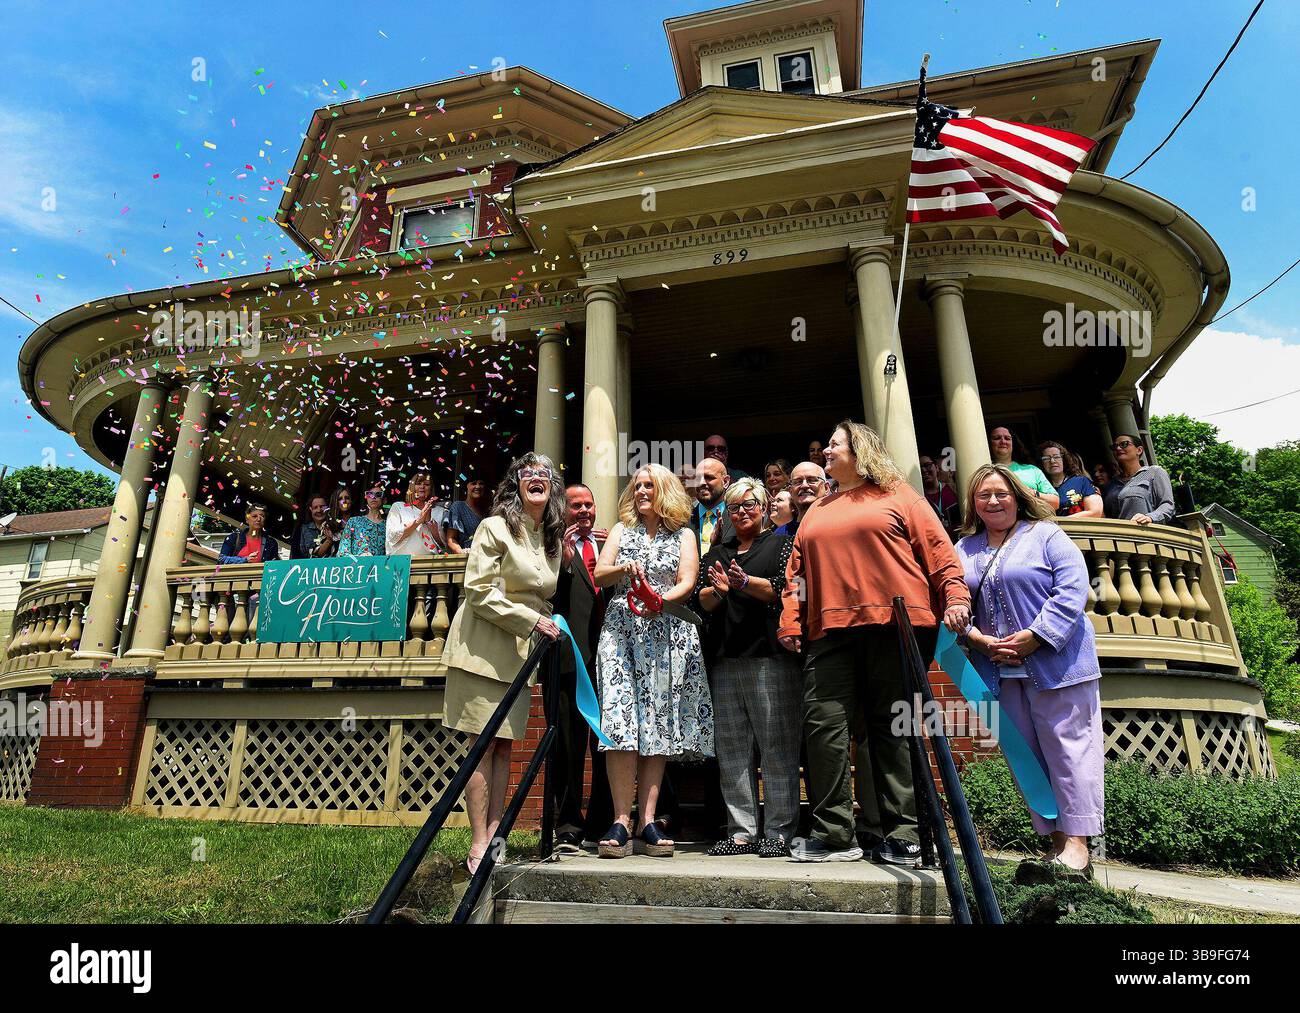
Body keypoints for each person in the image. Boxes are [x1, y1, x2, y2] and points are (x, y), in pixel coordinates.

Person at [778, 421, 971, 864]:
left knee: (892, 728)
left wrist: (956, 596)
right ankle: (833, 835)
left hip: (896, 623)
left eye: (834, 444)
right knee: (823, 726)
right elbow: (797, 575)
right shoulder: (816, 510)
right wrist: (791, 621)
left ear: (859, 450)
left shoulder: (900, 495)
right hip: (828, 631)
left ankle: (902, 833)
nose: (826, 450)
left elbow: (939, 554)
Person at [954, 463, 1103, 879]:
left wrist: (1037, 635)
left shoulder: (1047, 535)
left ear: (1017, 496)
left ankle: (1078, 844)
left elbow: (1074, 589)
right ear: (973, 504)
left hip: (1058, 664)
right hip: (998, 670)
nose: (993, 501)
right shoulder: (964, 548)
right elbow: (952, 600)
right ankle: (1058, 847)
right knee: (1028, 761)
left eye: (1001, 493)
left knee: (1069, 751)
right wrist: (976, 638)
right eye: (983, 495)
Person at [442, 453, 565, 874]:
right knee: (483, 744)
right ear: (515, 485)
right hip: (480, 646)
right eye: (527, 474)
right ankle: (479, 843)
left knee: (506, 747)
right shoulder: (494, 527)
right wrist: (533, 620)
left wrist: (541, 619)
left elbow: (544, 593)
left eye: (543, 474)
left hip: (520, 655)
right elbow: (478, 589)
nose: (536, 479)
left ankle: (498, 838)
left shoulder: (553, 537)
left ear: (552, 487)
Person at [592, 464, 712, 859]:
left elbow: (688, 579)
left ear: (665, 491)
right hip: (621, 633)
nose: (642, 491)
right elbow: (600, 574)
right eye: (638, 485)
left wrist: (661, 600)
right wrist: (624, 568)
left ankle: (647, 820)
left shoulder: (684, 534)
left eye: (650, 485)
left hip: (664, 633)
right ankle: (619, 820)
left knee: (657, 722)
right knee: (620, 720)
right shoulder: (621, 531)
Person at [696, 479, 800, 858]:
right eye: (735, 506)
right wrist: (721, 591)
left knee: (776, 747)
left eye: (750, 504)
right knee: (733, 750)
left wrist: (744, 582)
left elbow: (784, 588)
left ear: (764, 506)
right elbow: (701, 601)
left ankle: (778, 832)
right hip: (726, 660)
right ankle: (740, 832)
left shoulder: (780, 544)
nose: (742, 511)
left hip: (770, 658)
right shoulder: (717, 552)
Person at [548, 484, 615, 853]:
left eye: (589, 504)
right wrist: (563, 561)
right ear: (564, 509)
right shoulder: (551, 548)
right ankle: (568, 826)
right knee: (568, 747)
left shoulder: (608, 546)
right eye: (577, 505)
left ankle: (604, 823)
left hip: (609, 662)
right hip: (568, 661)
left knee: (607, 744)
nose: (585, 511)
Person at [1103, 433, 1176, 526]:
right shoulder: (1111, 484)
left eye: (1124, 444)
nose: (1118, 448)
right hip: (1119, 537)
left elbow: (1168, 505)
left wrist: (1150, 517)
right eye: (1114, 446)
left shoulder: (1154, 472)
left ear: (1139, 450)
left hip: (1146, 534)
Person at [989, 426, 1060, 512]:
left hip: (1033, 522)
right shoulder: (985, 471)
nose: (1003, 441)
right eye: (997, 438)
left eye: (1007, 438)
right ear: (988, 443)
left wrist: (1032, 493)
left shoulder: (1032, 470)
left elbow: (1055, 503)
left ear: (1013, 443)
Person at [1038, 441, 1103, 518]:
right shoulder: (1039, 487)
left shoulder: (1081, 482)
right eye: (1046, 458)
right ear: (1041, 463)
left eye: (1056, 457)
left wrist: (1062, 523)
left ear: (1064, 460)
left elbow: (1095, 512)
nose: (1052, 461)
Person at [386, 472, 444, 556]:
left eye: (426, 484)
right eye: (418, 483)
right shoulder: (399, 507)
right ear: (412, 487)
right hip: (402, 562)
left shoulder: (440, 511)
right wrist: (418, 521)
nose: (422, 487)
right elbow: (392, 537)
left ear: (431, 489)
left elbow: (444, 547)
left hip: (429, 563)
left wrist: (430, 526)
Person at [692, 457, 735, 550]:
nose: (702, 482)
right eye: (698, 478)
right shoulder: (682, 519)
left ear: (726, 481)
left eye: (709, 477)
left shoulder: (738, 517)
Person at [339, 485, 388, 556]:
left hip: (381, 566)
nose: (373, 497)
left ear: (384, 500)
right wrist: (359, 558)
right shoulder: (354, 522)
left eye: (378, 494)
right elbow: (342, 552)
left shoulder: (388, 525)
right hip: (357, 566)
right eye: (370, 494)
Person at [920, 453, 961, 538]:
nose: (924, 470)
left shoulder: (953, 489)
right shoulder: (920, 496)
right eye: (920, 467)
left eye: (927, 465)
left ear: (936, 467)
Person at [446, 474, 490, 554]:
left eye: (481, 483)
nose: (478, 486)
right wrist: (462, 553)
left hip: (487, 557)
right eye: (473, 483)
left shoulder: (488, 511)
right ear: (467, 486)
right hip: (467, 558)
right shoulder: (458, 507)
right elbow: (451, 539)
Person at [786, 461, 827, 538]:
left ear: (827, 488)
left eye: (811, 480)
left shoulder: (841, 524)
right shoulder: (779, 535)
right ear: (790, 491)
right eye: (797, 482)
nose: (804, 486)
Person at [290, 494, 331, 559]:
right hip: (306, 568)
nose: (319, 510)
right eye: (315, 507)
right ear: (311, 509)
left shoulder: (334, 528)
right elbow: (295, 555)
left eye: (322, 507)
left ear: (327, 508)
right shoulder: (301, 529)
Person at [321, 486, 352, 556]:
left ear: (351, 500)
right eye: (340, 499)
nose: (344, 501)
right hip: (334, 565)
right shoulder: (328, 524)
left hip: (356, 564)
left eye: (347, 498)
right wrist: (329, 540)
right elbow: (318, 554)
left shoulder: (359, 522)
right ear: (335, 502)